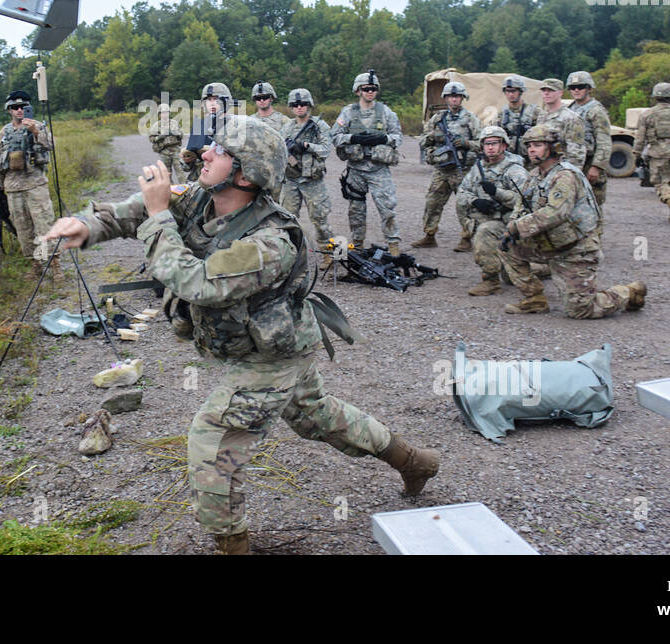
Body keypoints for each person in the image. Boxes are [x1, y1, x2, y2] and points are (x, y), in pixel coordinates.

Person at [43, 116, 441, 554]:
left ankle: (234, 547)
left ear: (246, 174)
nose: (205, 152)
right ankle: (416, 462)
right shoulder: (200, 197)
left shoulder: (271, 241)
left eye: (220, 150)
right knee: (316, 417)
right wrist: (88, 225)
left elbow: (199, 284)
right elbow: (136, 210)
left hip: (273, 357)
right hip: (266, 343)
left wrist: (158, 216)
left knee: (212, 445)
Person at [497, 124, 646, 318]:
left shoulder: (566, 175)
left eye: (538, 145)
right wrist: (511, 228)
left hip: (575, 249)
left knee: (580, 310)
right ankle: (534, 299)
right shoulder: (535, 175)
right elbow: (520, 205)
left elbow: (555, 213)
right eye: (529, 145)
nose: (531, 149)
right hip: (550, 243)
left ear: (553, 148)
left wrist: (518, 227)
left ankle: (628, 292)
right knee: (505, 246)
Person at [332, 71, 403, 254]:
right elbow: (334, 137)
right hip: (356, 169)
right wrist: (353, 137)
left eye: (373, 89)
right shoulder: (348, 112)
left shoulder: (385, 112)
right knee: (356, 210)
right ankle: (357, 245)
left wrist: (383, 138)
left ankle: (393, 245)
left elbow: (398, 138)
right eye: (366, 89)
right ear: (358, 91)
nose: (370, 92)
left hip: (379, 170)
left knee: (387, 209)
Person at [0, 89, 60, 280]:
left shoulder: (38, 126)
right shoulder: (4, 132)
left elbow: (51, 145)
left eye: (23, 107)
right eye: (15, 107)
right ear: (9, 110)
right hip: (13, 188)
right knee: (23, 228)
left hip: (35, 184)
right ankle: (35, 264)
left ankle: (55, 264)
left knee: (44, 225)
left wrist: (35, 132)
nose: (19, 111)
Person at [456, 125, 528, 296]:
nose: (490, 147)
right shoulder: (479, 167)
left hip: (510, 222)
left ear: (504, 145)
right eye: (487, 143)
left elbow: (525, 200)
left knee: (485, 232)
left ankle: (491, 281)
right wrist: (475, 200)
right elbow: (462, 192)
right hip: (489, 218)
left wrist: (498, 193)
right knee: (510, 276)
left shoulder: (514, 169)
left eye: (495, 143)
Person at [414, 81, 481, 252]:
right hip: (442, 169)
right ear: (445, 98)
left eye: (457, 96)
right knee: (432, 202)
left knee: (464, 205)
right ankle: (429, 235)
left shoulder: (470, 119)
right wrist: (433, 138)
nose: (454, 99)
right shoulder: (437, 119)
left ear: (462, 98)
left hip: (462, 169)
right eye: (451, 96)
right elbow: (422, 141)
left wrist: (466, 143)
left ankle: (467, 238)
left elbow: (482, 144)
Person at [280, 88, 335, 269]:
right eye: (295, 105)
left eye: (303, 104)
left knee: (320, 219)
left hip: (312, 180)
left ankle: (329, 254)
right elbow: (279, 151)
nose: (299, 107)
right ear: (291, 107)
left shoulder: (320, 126)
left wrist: (306, 145)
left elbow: (326, 149)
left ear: (309, 105)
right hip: (291, 180)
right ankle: (291, 255)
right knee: (288, 218)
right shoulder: (287, 127)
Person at [632, 82, 670, 224]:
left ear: (655, 96)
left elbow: (640, 138)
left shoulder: (647, 115)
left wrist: (637, 155)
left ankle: (669, 200)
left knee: (660, 181)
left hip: (657, 153)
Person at [566, 70, 611, 231]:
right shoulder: (570, 109)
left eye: (581, 86)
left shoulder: (596, 110)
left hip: (590, 163)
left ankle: (595, 240)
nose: (576, 90)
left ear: (589, 88)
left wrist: (597, 166)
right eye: (573, 87)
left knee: (594, 205)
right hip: (573, 164)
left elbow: (605, 141)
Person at [180, 82, 234, 182]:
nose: (212, 103)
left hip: (223, 181)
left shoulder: (235, 125)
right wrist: (187, 160)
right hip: (198, 180)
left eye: (216, 99)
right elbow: (187, 168)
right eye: (208, 100)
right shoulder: (198, 125)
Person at [534, 78, 588, 170]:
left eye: (551, 90)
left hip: (562, 170)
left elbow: (576, 154)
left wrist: (570, 175)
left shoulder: (571, 118)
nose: (546, 93)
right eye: (543, 90)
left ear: (560, 93)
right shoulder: (542, 116)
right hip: (543, 169)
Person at [499, 76, 539, 160]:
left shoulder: (534, 112)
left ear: (520, 91)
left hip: (530, 159)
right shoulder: (501, 115)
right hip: (508, 159)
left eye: (514, 91)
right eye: (507, 91)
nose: (510, 94)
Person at [147, 102, 184, 173]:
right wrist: (160, 137)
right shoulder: (156, 125)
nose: (165, 114)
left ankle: (183, 184)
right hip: (164, 151)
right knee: (166, 173)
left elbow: (182, 135)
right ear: (159, 114)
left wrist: (177, 134)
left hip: (175, 149)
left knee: (180, 170)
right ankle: (168, 184)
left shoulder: (174, 123)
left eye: (166, 112)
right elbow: (151, 139)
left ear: (169, 113)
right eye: (162, 113)